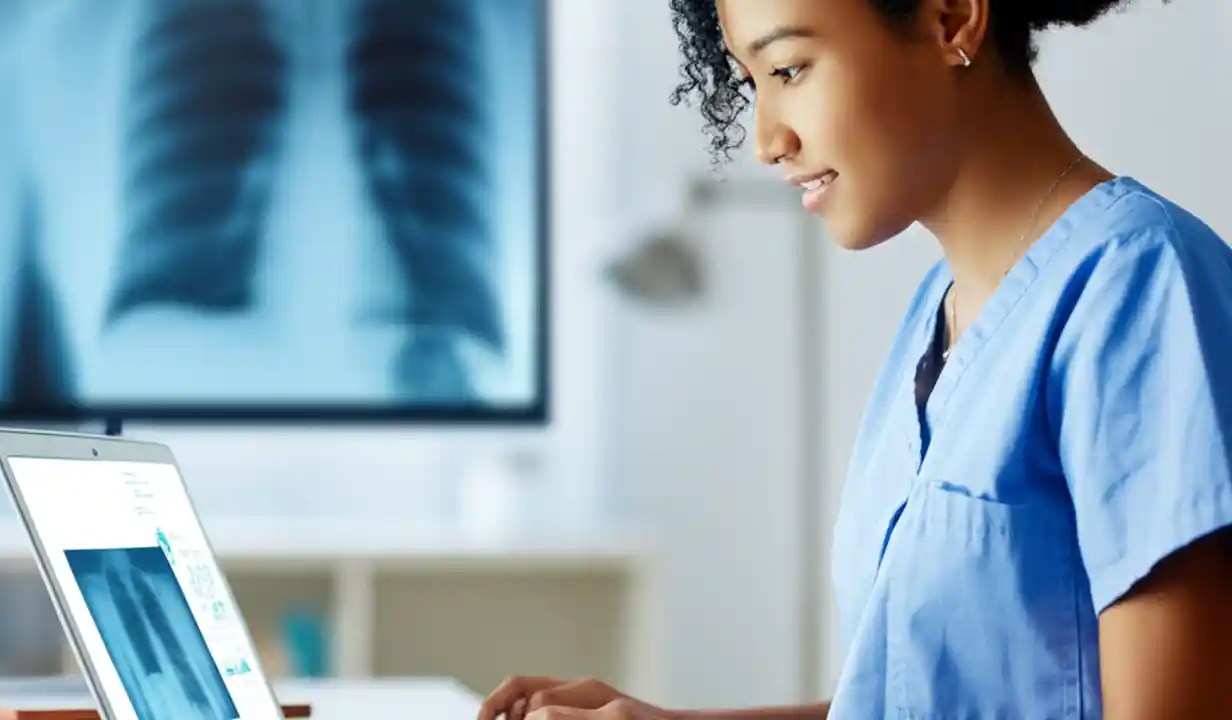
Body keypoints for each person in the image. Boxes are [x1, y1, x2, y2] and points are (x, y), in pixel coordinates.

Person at [479, 0, 1232, 718]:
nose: (767, 138)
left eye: (790, 70)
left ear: (951, 18)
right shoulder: (935, 316)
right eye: (750, 84)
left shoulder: (1139, 285)